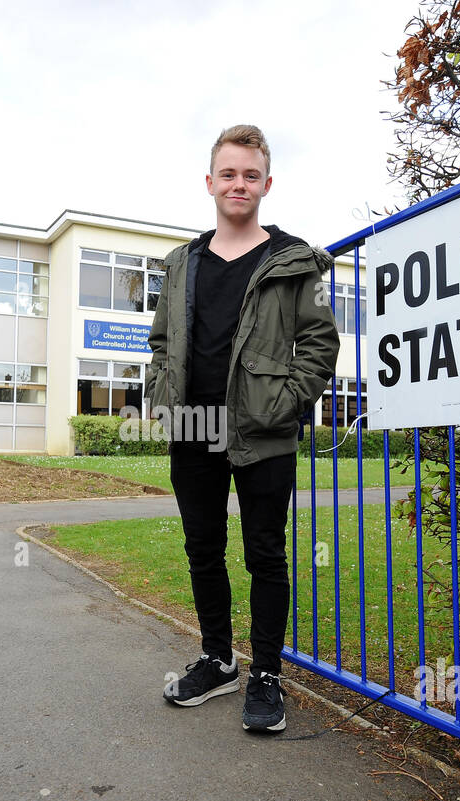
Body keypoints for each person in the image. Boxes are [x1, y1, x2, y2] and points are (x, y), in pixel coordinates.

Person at [147, 124, 339, 733]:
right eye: (228, 174)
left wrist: (281, 405)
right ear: (210, 182)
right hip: (192, 427)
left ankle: (265, 675)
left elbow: (318, 344)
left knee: (265, 555)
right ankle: (218, 658)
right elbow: (160, 344)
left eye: (249, 175)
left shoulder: (292, 261)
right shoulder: (182, 263)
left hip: (263, 431)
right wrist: (161, 398)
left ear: (266, 183)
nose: (238, 184)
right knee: (203, 551)